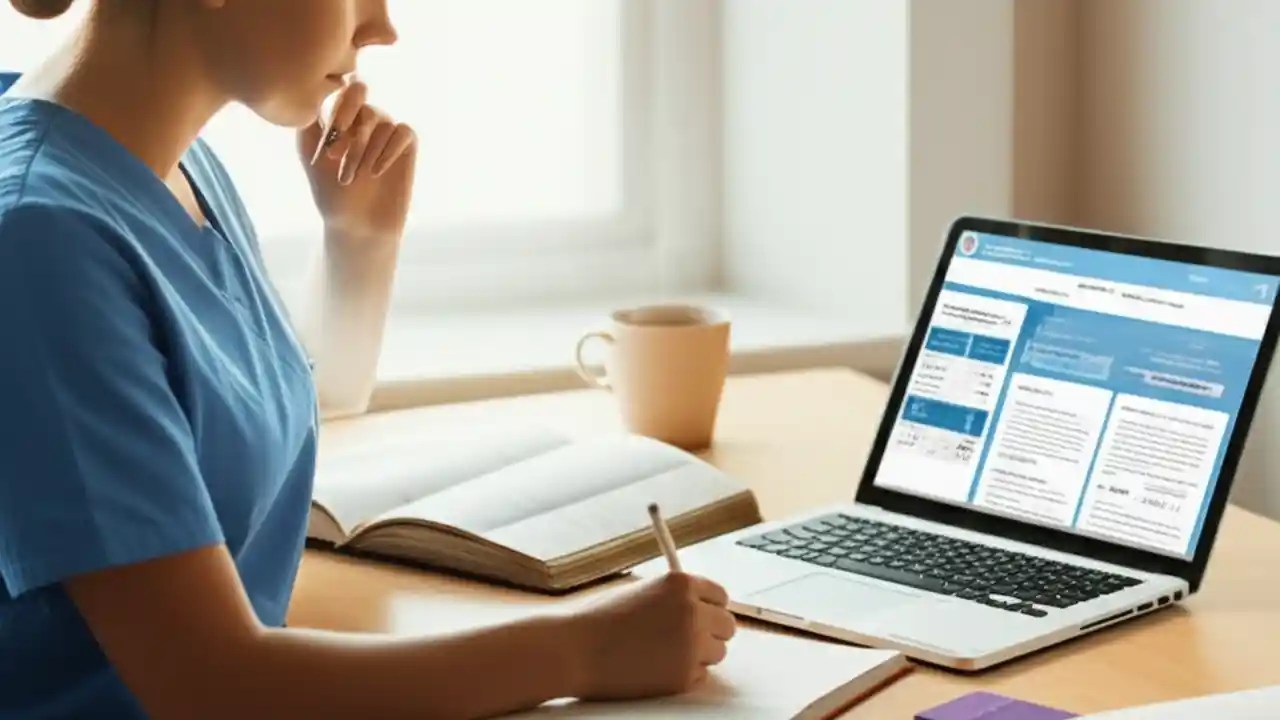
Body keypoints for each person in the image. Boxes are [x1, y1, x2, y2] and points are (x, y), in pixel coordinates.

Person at [0, 0, 736, 717]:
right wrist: (584, 653)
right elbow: (209, 682)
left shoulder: (174, 164)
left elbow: (266, 404)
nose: (382, 27)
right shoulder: (42, 240)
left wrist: (360, 240)